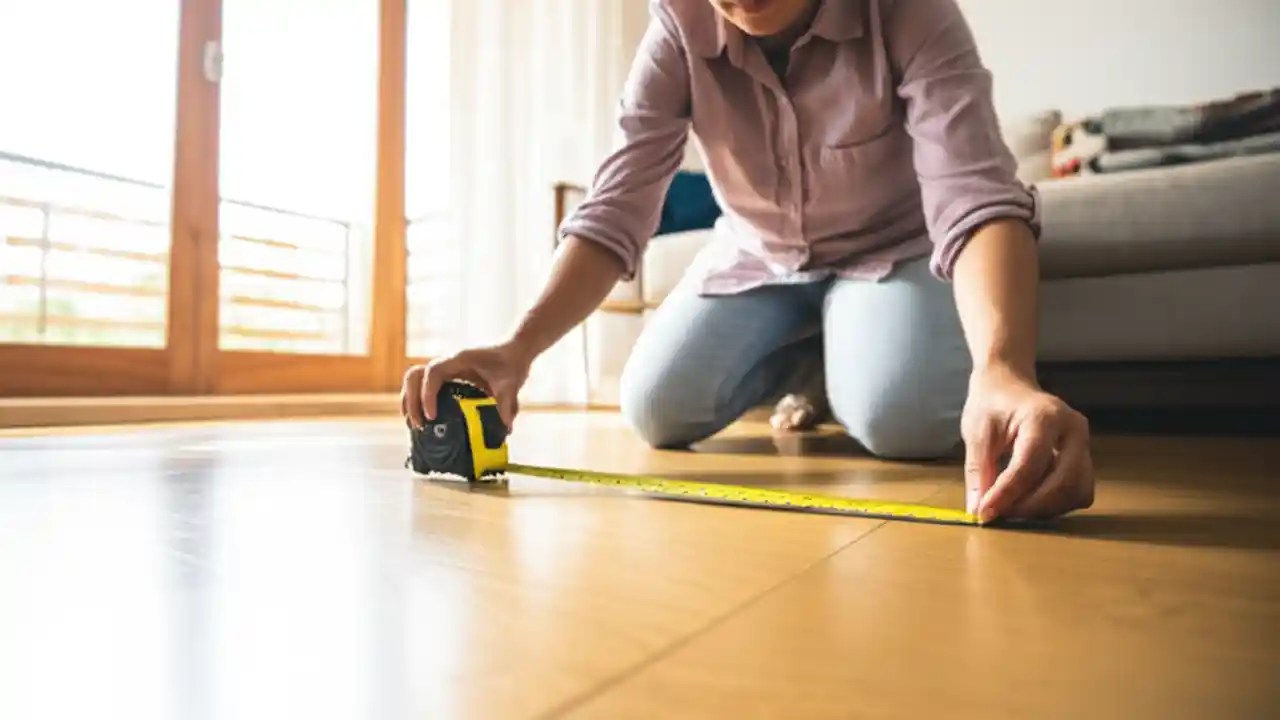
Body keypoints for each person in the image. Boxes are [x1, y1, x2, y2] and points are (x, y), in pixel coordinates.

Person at [401, 0, 1095, 524]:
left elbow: (974, 194)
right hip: (757, 252)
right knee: (654, 409)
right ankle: (810, 358)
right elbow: (616, 205)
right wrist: (517, 349)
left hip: (892, 247)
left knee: (903, 422)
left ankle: (846, 350)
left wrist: (1004, 369)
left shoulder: (910, 12)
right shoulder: (677, 26)